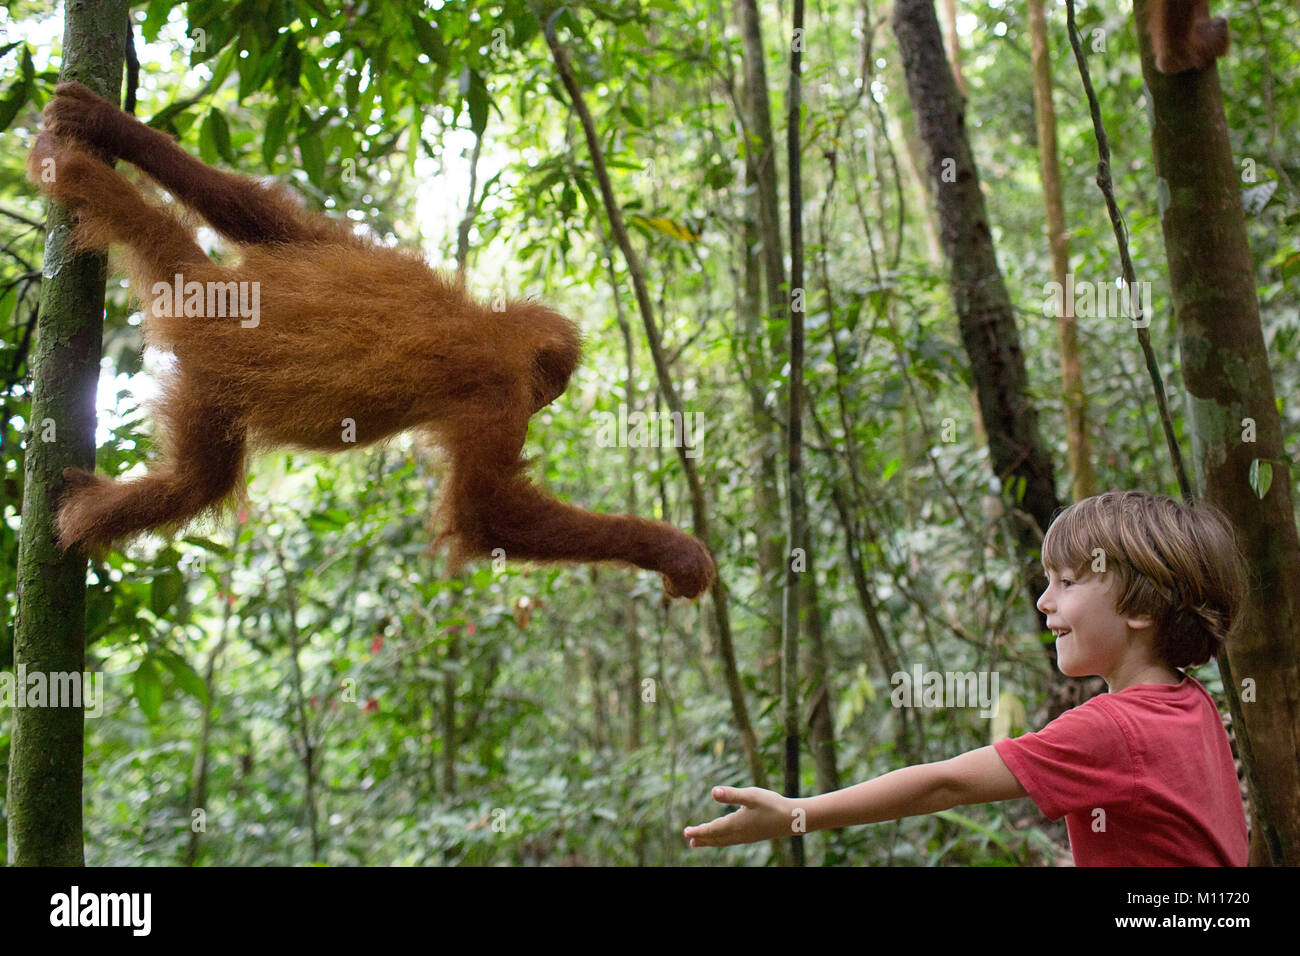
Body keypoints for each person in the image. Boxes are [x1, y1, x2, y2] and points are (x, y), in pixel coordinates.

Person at [683, 491, 1250, 866]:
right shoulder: (1190, 701)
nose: (1044, 600)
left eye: (1069, 583)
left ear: (1141, 608)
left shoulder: (1111, 729)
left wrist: (796, 813)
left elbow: (944, 784)